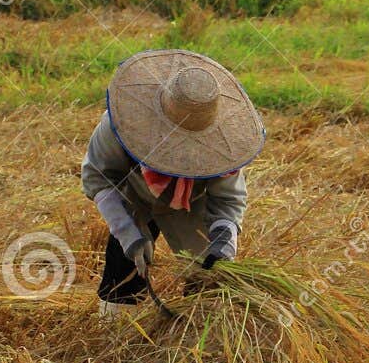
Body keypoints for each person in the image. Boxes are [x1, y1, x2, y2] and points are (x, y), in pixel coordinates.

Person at [81, 49, 265, 316]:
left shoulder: (224, 148)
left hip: (192, 202)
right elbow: (97, 176)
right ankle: (115, 324)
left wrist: (224, 240)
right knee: (122, 273)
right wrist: (128, 233)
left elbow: (228, 199)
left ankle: (197, 335)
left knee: (208, 280)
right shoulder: (119, 124)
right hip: (134, 193)